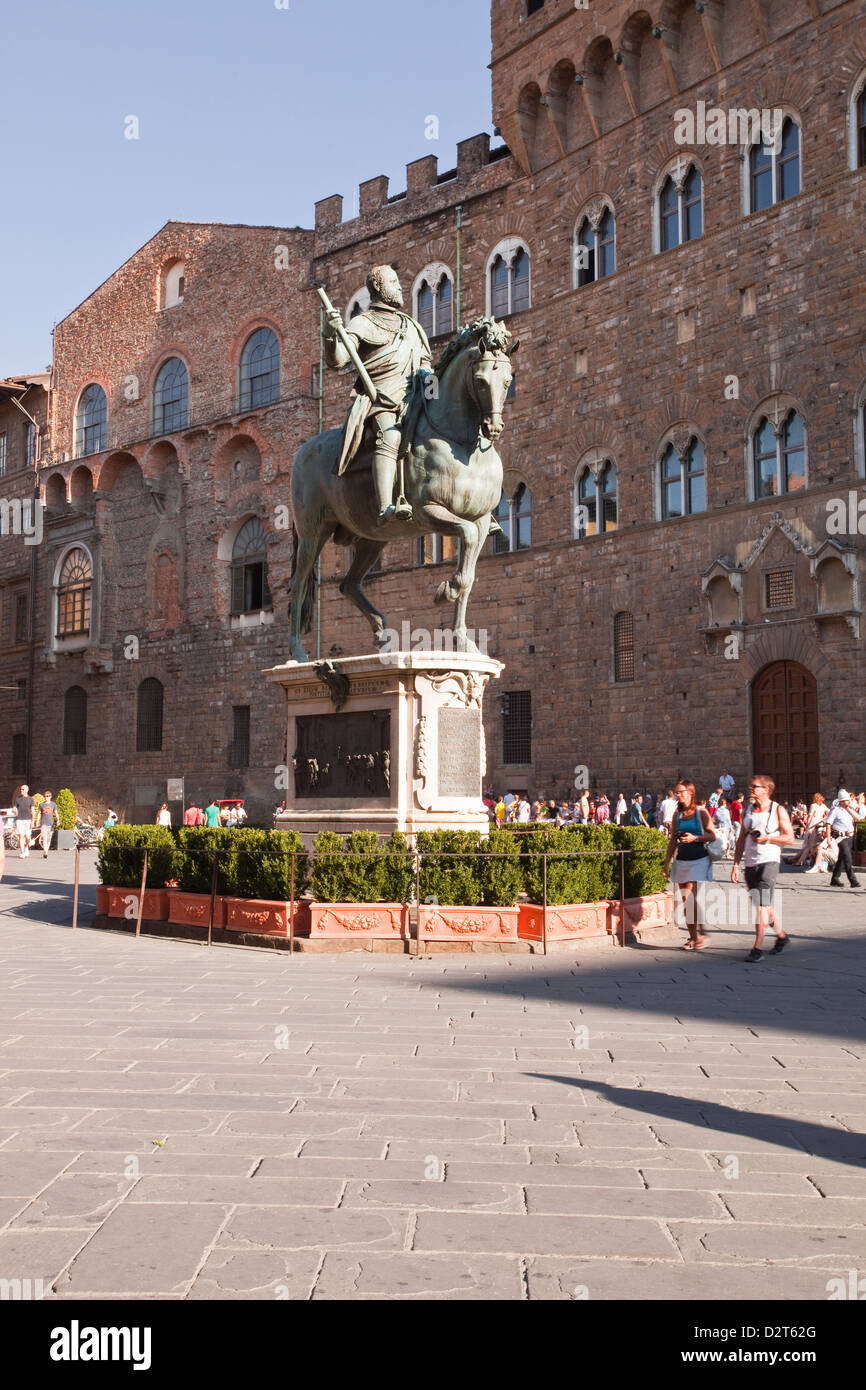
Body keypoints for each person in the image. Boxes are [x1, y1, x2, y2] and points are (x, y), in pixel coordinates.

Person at [323, 263, 433, 525]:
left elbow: (427, 363)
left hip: (414, 398)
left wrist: (433, 392)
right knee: (390, 435)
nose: (399, 287)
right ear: (381, 288)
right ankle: (386, 506)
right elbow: (338, 360)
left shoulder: (413, 326)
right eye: (394, 282)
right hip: (382, 401)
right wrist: (329, 335)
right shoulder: (364, 322)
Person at [732, 775, 795, 962]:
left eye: (754, 786)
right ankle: (781, 936)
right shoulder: (747, 811)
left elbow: (790, 837)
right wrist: (735, 864)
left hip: (769, 861)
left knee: (761, 906)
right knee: (765, 905)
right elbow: (741, 839)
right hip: (751, 863)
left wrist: (767, 838)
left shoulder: (778, 810)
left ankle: (757, 949)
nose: (750, 789)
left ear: (766, 790)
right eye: (751, 786)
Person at [664, 780, 714, 949]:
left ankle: (699, 935)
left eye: (681, 792)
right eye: (676, 792)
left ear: (690, 792)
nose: (678, 795)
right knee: (687, 901)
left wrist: (695, 838)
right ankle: (695, 937)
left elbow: (712, 835)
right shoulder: (676, 815)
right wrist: (666, 863)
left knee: (688, 897)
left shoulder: (701, 812)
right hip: (682, 859)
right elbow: (672, 841)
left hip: (698, 859)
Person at [826, 790, 861, 890]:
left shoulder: (849, 809)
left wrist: (849, 809)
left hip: (849, 836)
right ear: (841, 801)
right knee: (847, 858)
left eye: (848, 800)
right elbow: (828, 824)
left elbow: (857, 818)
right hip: (840, 837)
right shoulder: (835, 810)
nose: (848, 802)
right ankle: (853, 880)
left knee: (842, 858)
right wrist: (828, 838)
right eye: (846, 801)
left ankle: (835, 879)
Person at [796, 792, 827, 867]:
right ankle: (799, 860)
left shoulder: (813, 805)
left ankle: (800, 861)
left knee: (809, 845)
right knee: (812, 845)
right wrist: (823, 819)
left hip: (812, 825)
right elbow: (829, 812)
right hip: (819, 825)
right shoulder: (823, 806)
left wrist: (807, 826)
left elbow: (810, 816)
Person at [13, 784, 35, 859]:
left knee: (27, 837)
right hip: (19, 820)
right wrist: (15, 810)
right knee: (21, 836)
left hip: (28, 820)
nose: (21, 791)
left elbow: (32, 811)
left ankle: (26, 847)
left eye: (23, 789)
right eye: (21, 789)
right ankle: (22, 852)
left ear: (26, 790)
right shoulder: (17, 799)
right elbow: (15, 807)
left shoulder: (31, 799)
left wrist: (33, 821)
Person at [37, 792, 59, 858]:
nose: (46, 797)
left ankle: (46, 851)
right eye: (45, 796)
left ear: (50, 797)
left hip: (51, 823)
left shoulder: (53, 804)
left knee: (49, 839)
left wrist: (58, 820)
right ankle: (45, 852)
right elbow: (39, 813)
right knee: (44, 838)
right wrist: (37, 821)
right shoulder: (41, 805)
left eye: (47, 796)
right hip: (43, 823)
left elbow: (56, 813)